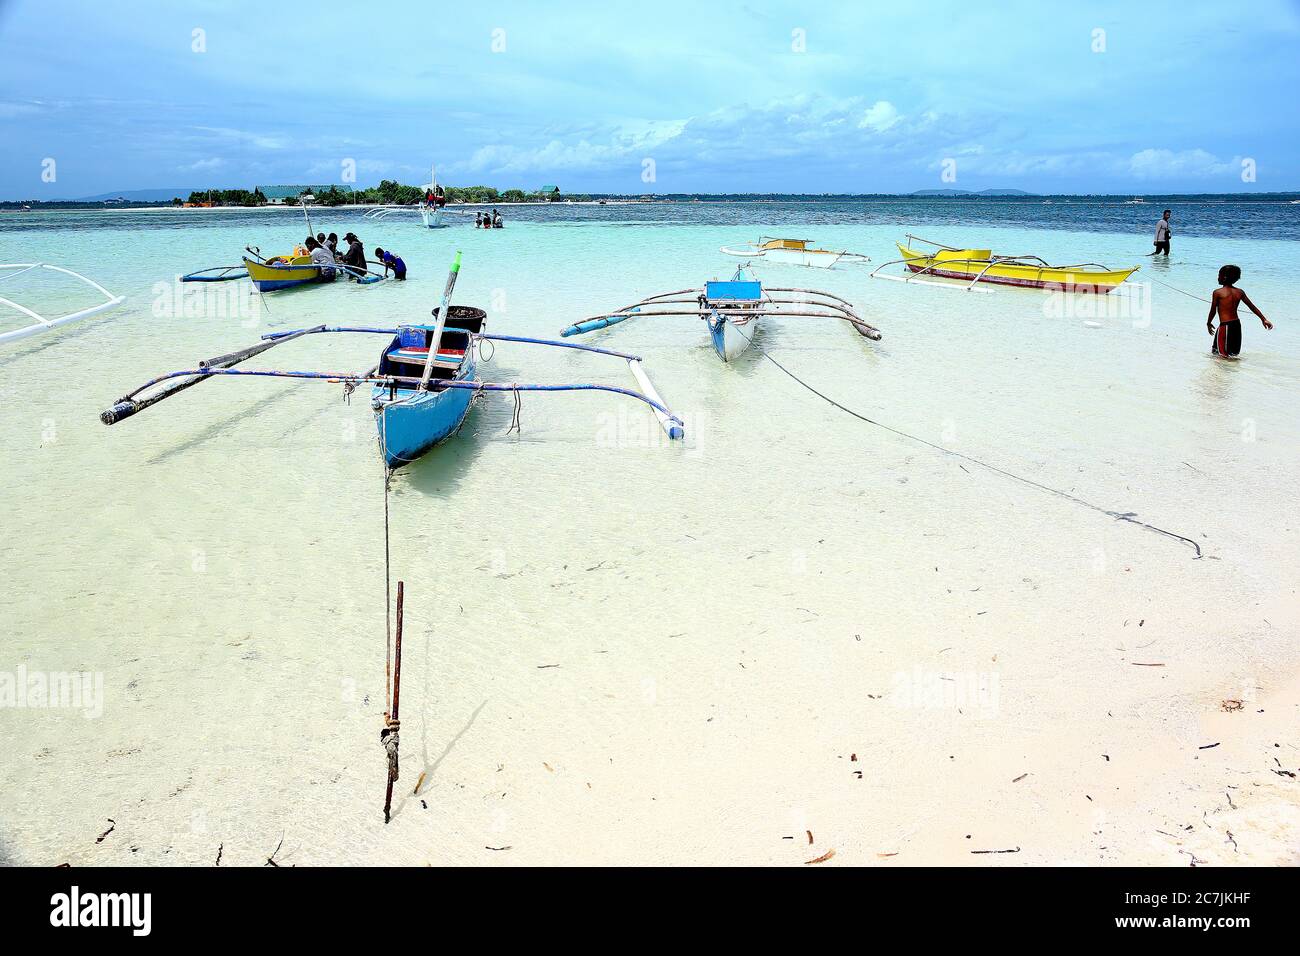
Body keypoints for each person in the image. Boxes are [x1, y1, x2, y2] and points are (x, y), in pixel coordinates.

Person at [1207, 265, 1272, 358]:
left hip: (1225, 326)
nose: (1218, 277)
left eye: (1219, 275)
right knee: (1233, 354)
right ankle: (1234, 371)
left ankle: (1220, 372)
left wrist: (1208, 323)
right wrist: (1263, 319)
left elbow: (1213, 310)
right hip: (1236, 326)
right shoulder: (1239, 292)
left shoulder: (1217, 292)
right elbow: (1252, 306)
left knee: (1221, 355)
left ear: (1224, 277)